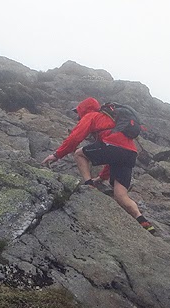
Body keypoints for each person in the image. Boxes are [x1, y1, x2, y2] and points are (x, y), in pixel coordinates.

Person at [43, 97, 155, 233]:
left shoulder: (92, 116)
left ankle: (89, 184)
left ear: (83, 109)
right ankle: (143, 221)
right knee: (120, 195)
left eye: (78, 112)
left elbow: (75, 138)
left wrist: (56, 155)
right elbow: (115, 156)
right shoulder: (111, 121)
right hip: (130, 153)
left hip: (114, 147)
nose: (78, 116)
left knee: (79, 154)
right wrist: (102, 178)